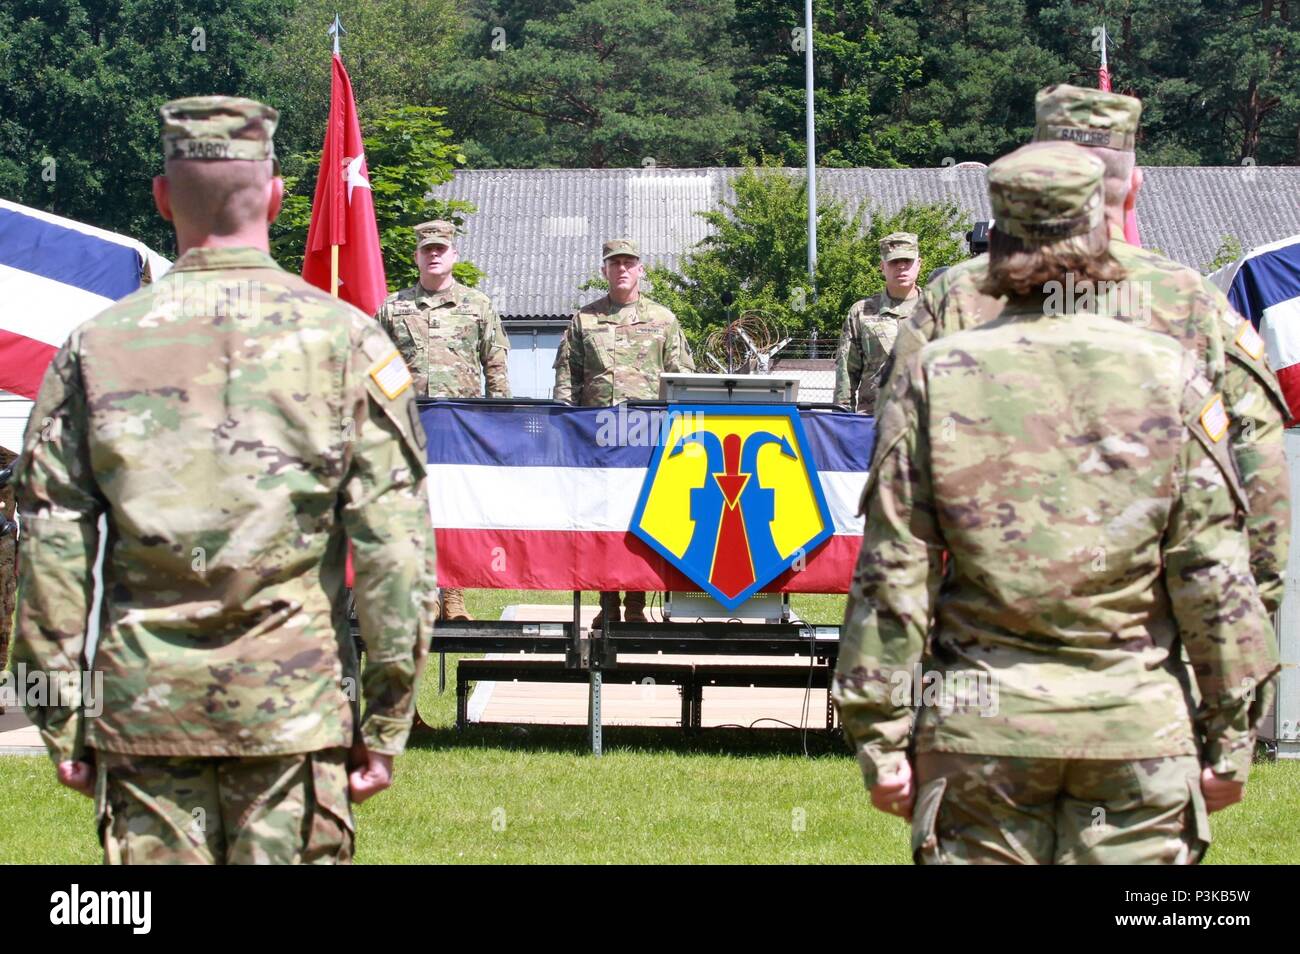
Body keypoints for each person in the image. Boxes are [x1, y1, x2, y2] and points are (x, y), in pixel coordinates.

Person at [11, 96, 438, 864]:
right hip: (294, 722)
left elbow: (47, 552)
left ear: (163, 197)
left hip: (143, 717)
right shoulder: (347, 342)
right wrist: (385, 722)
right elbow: (394, 553)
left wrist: (59, 717)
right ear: (276, 196)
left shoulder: (92, 349)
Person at [833, 143, 1279, 865]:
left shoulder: (937, 377)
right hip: (1133, 727)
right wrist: (1232, 734)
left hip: (982, 731)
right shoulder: (1171, 376)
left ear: (999, 242)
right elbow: (1212, 572)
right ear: (1102, 235)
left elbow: (894, 573)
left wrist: (880, 735)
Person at [885, 84, 1290, 613]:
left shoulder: (951, 300)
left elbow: (898, 489)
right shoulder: (1198, 306)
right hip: (1143, 650)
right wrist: (1242, 623)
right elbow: (1258, 465)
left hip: (982, 645)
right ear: (1136, 186)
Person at [552, 238, 695, 627]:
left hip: (647, 436)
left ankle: (635, 601)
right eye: (614, 264)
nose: (622, 270)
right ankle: (608, 602)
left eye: (629, 263)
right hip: (597, 434)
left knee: (641, 518)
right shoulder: (584, 320)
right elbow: (567, 379)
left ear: (641, 269)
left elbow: (681, 378)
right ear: (604, 270)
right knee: (603, 519)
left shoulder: (663, 319)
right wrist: (565, 429)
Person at [375, 219, 509, 622]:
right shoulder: (392, 307)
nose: (433, 255)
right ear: (416, 256)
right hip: (409, 426)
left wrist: (498, 420)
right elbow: (375, 365)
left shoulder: (477, 305)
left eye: (440, 249)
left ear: (453, 255)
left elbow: (496, 365)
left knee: (456, 509)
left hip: (462, 426)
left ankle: (454, 597)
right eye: (426, 250)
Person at [833, 232, 923, 414]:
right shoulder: (862, 312)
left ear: (919, 264)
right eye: (894, 262)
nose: (901, 267)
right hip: (873, 422)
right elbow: (846, 373)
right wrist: (841, 422)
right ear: (882, 266)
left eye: (907, 260)